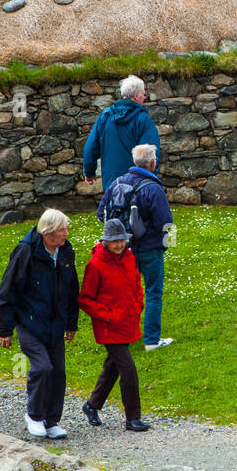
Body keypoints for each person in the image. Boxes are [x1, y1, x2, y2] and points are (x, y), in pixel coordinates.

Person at [0, 209, 79, 439]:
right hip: (29, 323)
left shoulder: (66, 251)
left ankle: (51, 421)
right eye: (62, 230)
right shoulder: (26, 252)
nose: (66, 233)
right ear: (48, 233)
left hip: (56, 324)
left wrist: (71, 323)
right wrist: (5, 329)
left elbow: (72, 289)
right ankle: (34, 415)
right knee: (43, 368)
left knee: (58, 372)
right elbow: (7, 290)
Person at [99, 143, 174, 351]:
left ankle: (122, 336)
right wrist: (165, 241)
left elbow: (101, 214)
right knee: (153, 292)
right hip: (150, 248)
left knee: (125, 294)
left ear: (133, 161)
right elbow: (165, 221)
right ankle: (151, 340)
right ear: (152, 163)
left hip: (122, 250)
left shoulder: (116, 184)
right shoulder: (153, 188)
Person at [78, 219, 150, 432]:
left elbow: (136, 284)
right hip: (109, 327)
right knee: (128, 370)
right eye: (114, 241)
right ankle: (132, 418)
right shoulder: (95, 265)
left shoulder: (129, 257)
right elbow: (85, 299)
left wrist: (138, 305)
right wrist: (108, 316)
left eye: (122, 240)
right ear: (106, 242)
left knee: (112, 367)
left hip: (127, 321)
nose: (119, 245)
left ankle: (92, 405)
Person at [82, 75, 161, 189]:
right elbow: (150, 152)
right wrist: (151, 177)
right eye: (143, 94)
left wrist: (89, 172)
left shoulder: (105, 116)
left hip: (112, 184)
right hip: (137, 185)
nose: (145, 97)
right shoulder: (143, 119)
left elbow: (90, 147)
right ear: (136, 96)